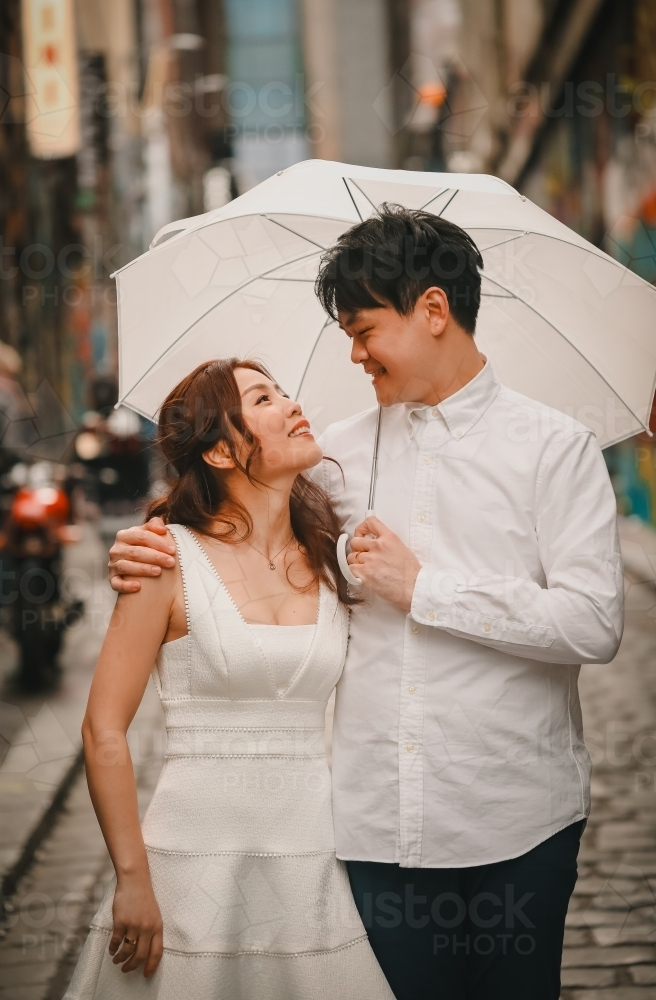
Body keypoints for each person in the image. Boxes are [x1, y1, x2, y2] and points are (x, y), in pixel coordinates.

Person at [108, 207, 624, 1000]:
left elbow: (593, 623)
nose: (352, 354)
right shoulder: (332, 456)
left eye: (363, 329)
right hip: (373, 830)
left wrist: (425, 591)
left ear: (431, 310)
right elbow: (233, 523)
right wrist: (147, 541)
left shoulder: (555, 449)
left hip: (517, 821)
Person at [65, 359, 394, 999]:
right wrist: (133, 877)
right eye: (264, 398)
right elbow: (103, 727)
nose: (292, 403)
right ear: (221, 449)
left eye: (285, 390)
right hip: (189, 861)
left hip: (311, 858)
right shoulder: (165, 561)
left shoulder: (332, 558)